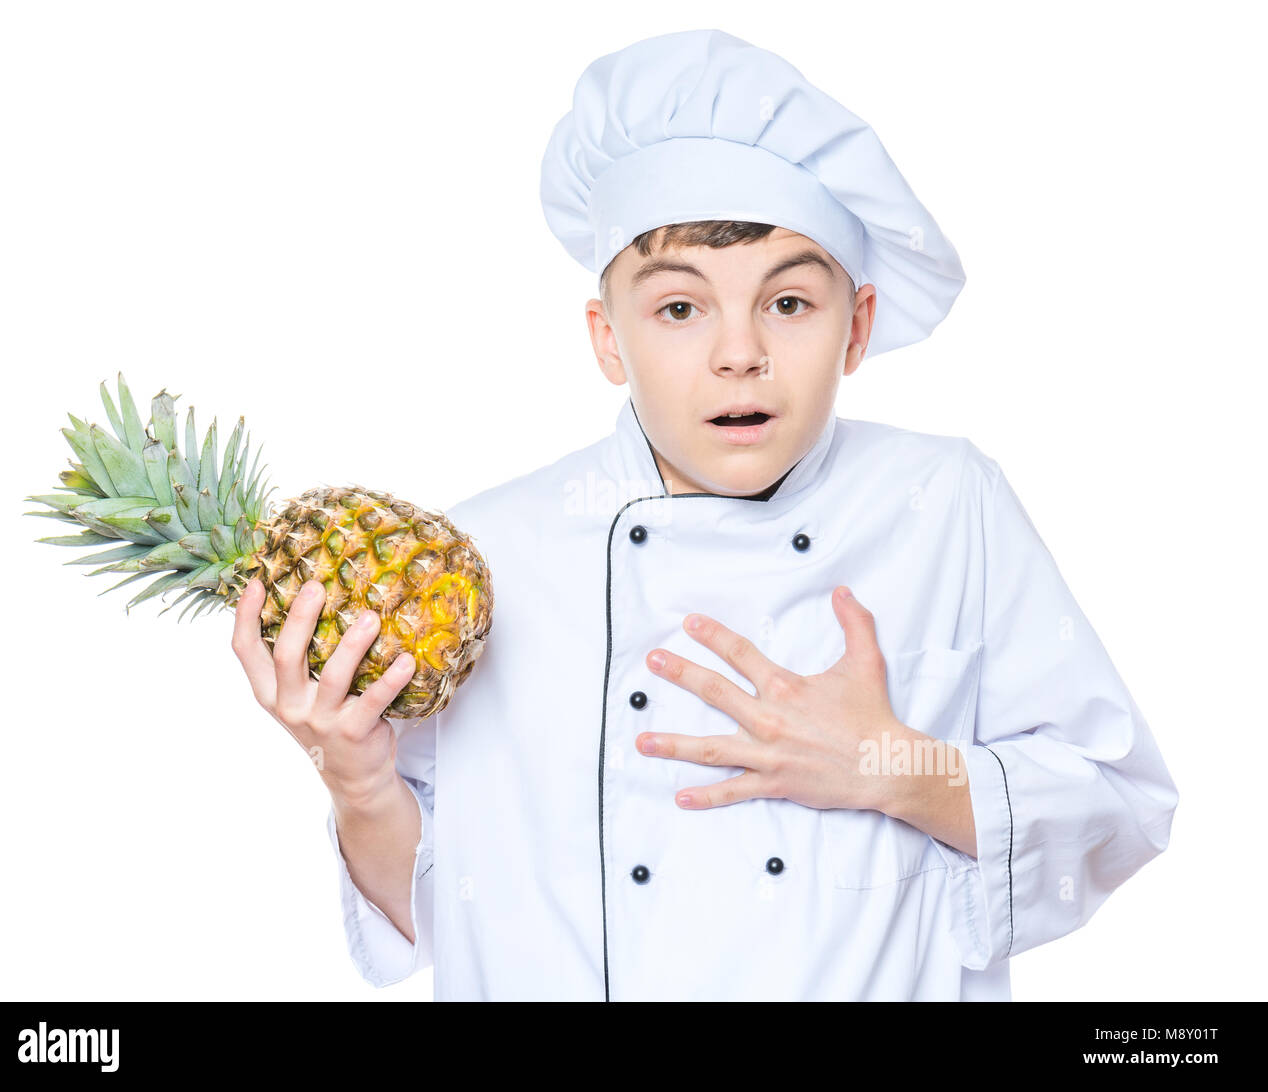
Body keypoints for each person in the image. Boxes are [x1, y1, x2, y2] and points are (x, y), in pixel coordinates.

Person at [231, 28, 1179, 1001]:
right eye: (679, 309)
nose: (738, 354)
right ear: (609, 338)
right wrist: (358, 785)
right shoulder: (478, 562)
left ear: (855, 327)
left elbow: (1118, 807)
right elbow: (430, 916)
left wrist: (893, 769)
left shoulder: (945, 506)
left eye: (789, 304)